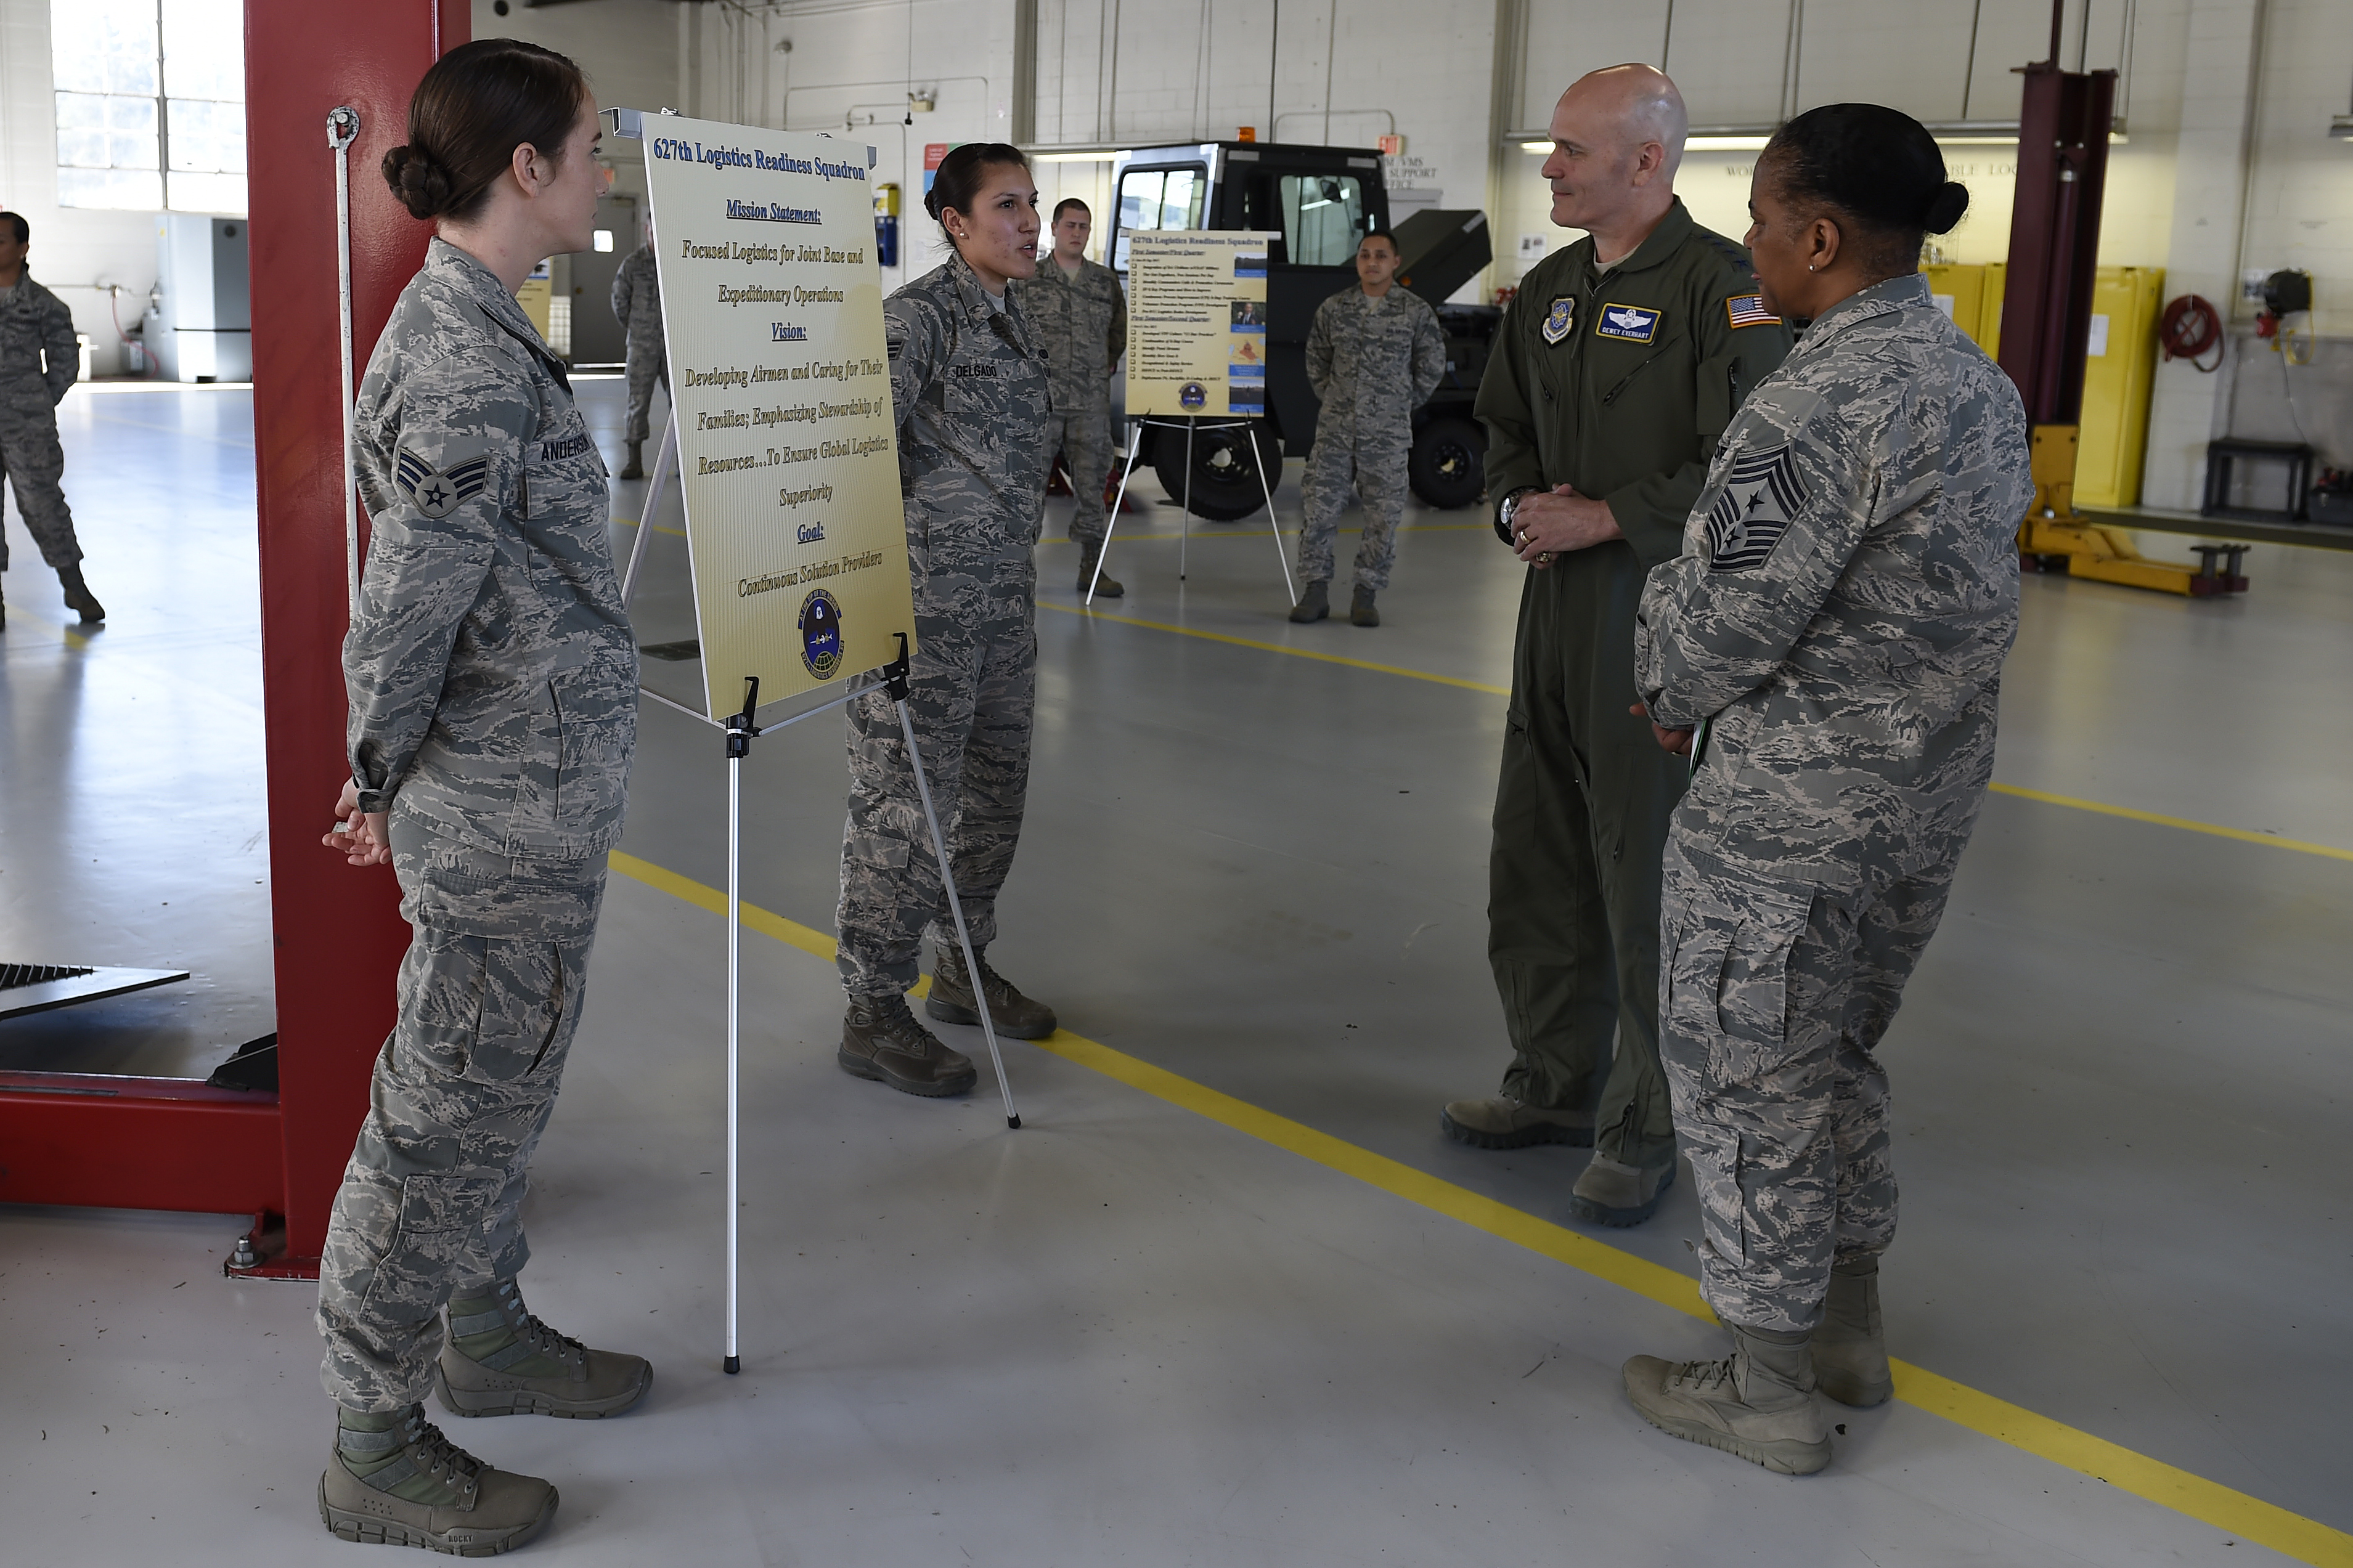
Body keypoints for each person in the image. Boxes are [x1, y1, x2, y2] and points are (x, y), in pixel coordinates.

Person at [1620, 104, 2029, 1475]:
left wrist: (1666, 686)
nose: (1746, 245)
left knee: (1749, 1081)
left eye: (1757, 219)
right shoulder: (1976, 382)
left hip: (1787, 821)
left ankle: (1767, 1384)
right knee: (1836, 1056)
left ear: (1819, 236)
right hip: (1916, 809)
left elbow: (1719, 626)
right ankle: (1849, 1329)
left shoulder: (1814, 399)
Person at [312, 39, 645, 1553]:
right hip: (497, 806)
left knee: (505, 1081)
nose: (602, 169)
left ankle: (486, 1328)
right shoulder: (457, 355)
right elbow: (404, 606)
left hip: (541, 794)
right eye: (588, 145)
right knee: (443, 1111)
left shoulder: (487, 328)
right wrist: (372, 767)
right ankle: (372, 1436)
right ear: (528, 168)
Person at [1444, 65, 1792, 1227]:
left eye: (1568, 151)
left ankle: (1643, 1125)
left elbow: (1749, 472)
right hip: (1551, 610)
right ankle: (1551, 1081)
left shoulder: (1723, 292)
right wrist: (1511, 511)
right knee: (1533, 846)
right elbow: (1498, 428)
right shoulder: (1546, 289)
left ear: (1646, 162)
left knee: (1644, 869)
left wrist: (1609, 516)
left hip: (1658, 622)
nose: (1547, 167)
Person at [836, 142, 1059, 1097]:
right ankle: (873, 1008)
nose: (1029, 223)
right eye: (1006, 206)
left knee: (993, 796)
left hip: (1002, 607)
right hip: (920, 616)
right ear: (955, 223)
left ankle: (962, 967)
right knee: (905, 806)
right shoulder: (914, 322)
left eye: (1033, 204)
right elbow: (856, 461)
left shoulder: (1018, 319)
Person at [1287, 229, 1444, 627]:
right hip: (1335, 433)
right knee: (1319, 512)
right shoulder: (1334, 309)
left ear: (1396, 262)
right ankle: (1315, 590)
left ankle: (1365, 594)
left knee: (1383, 518)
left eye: (1380, 255)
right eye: (1364, 255)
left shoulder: (1415, 312)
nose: (1371, 262)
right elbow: (1316, 360)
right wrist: (1336, 400)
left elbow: (1431, 366)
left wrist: (1396, 406)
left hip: (1387, 436)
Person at [1012, 196, 1128, 596]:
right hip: (1040, 403)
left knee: (1093, 487)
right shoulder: (1028, 278)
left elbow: (1118, 335)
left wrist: (1098, 368)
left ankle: (1093, 569)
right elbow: (1012, 335)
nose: (1077, 233)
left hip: (1090, 404)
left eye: (1084, 227)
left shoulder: (1104, 281)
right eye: (1070, 225)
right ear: (1055, 229)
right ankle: (1019, 570)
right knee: (1028, 487)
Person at [0, 210, 102, 630]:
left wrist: (39, 400)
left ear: (23, 248)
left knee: (44, 504)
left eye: (2, 240)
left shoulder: (44, 305)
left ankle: (73, 583)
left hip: (27, 426)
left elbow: (65, 362)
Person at [610, 216, 664, 479]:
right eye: (654, 230)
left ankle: (683, 465)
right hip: (642, 346)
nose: (658, 235)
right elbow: (619, 302)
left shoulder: (677, 262)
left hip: (673, 350)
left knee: (682, 408)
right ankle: (634, 461)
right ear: (647, 230)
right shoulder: (633, 265)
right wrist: (637, 328)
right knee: (637, 404)